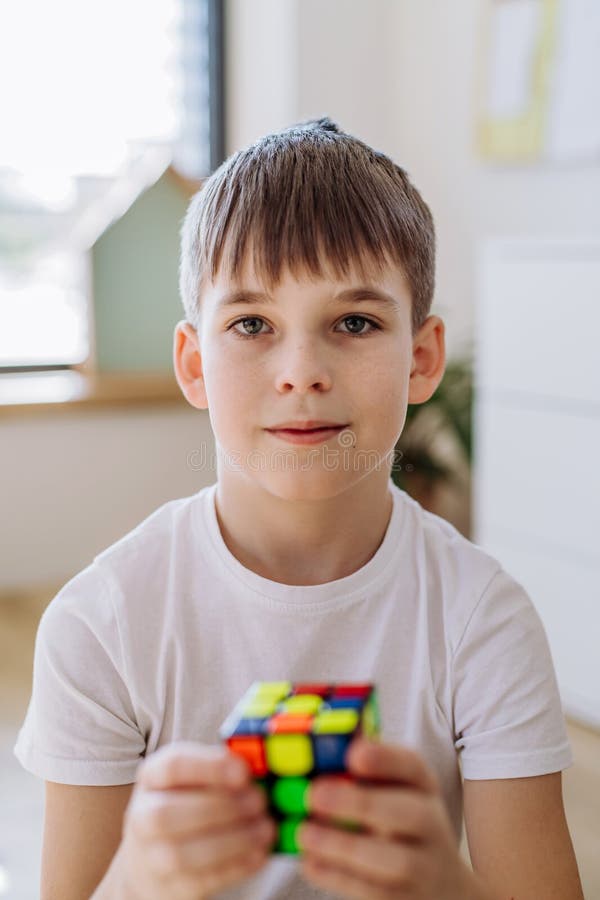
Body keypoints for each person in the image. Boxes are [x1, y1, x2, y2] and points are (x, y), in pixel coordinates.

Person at [14, 118, 583, 900]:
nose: (302, 371)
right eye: (252, 324)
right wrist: (140, 879)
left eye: (354, 323)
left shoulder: (483, 621)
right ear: (193, 364)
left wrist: (447, 887)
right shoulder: (100, 625)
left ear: (420, 359)